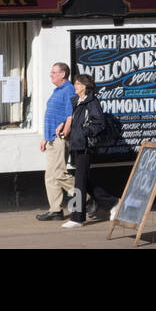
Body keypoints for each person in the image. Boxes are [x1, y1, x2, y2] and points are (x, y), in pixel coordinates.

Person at [61, 73, 118, 229]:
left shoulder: (91, 102)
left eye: (78, 84)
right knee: (82, 180)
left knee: (80, 182)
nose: (75, 86)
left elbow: (99, 124)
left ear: (85, 86)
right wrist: (64, 126)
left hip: (85, 146)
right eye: (75, 83)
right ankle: (113, 203)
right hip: (75, 145)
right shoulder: (76, 101)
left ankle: (77, 218)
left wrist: (83, 132)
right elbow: (70, 120)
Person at [35, 62, 75, 221]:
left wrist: (66, 128)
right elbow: (52, 115)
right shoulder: (57, 90)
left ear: (63, 74)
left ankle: (87, 198)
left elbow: (70, 113)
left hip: (60, 137)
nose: (50, 75)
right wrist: (44, 137)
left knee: (59, 173)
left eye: (53, 72)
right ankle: (56, 210)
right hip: (51, 137)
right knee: (50, 176)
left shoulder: (68, 89)